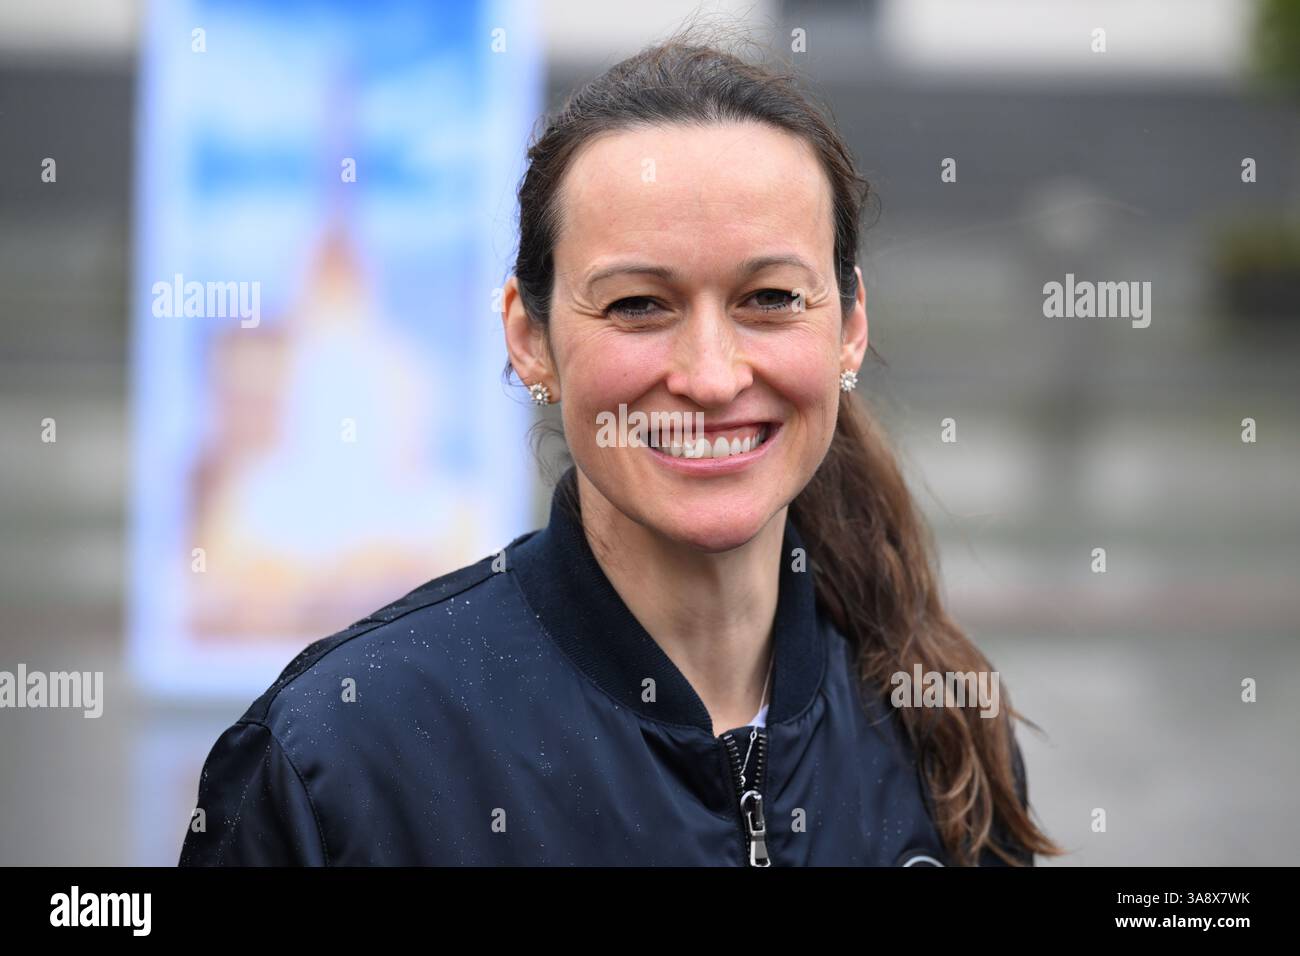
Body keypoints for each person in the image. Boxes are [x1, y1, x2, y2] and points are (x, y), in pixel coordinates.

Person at [180, 35, 1061, 867]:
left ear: (850, 327)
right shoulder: (337, 761)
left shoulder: (940, 738)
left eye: (770, 297)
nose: (712, 377)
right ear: (528, 338)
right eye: (640, 305)